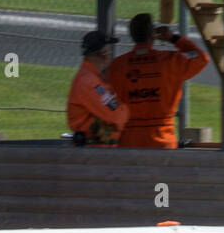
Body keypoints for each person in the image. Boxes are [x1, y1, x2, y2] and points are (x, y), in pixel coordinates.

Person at [106, 12, 210, 149]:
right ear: (152, 35)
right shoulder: (169, 60)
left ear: (132, 35)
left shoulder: (117, 65)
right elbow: (201, 57)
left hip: (129, 140)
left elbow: (109, 101)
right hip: (162, 139)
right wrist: (173, 38)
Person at [67, 30, 129, 147]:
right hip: (94, 154)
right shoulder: (89, 82)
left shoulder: (92, 78)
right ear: (103, 53)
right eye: (108, 50)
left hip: (98, 152)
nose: (110, 53)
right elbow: (118, 116)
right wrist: (123, 109)